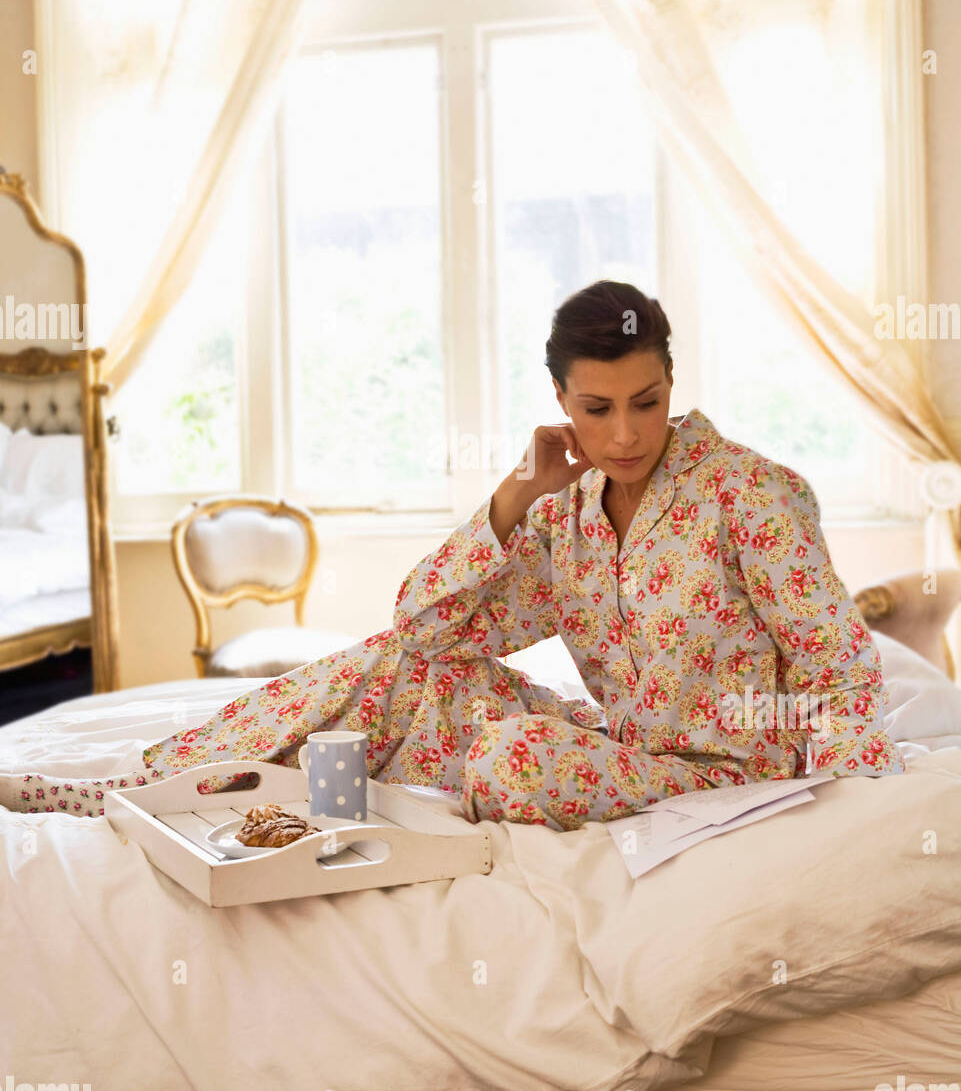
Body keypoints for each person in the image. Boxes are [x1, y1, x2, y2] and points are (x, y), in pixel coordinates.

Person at [0, 280, 904, 828]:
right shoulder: (568, 517)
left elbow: (840, 668)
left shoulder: (752, 495)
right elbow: (425, 630)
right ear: (560, 399)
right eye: (597, 409)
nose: (627, 432)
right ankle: (155, 786)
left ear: (671, 383)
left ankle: (229, 796)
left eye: (647, 399)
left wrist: (830, 812)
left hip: (731, 768)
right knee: (396, 671)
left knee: (512, 759)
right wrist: (516, 494)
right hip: (623, 749)